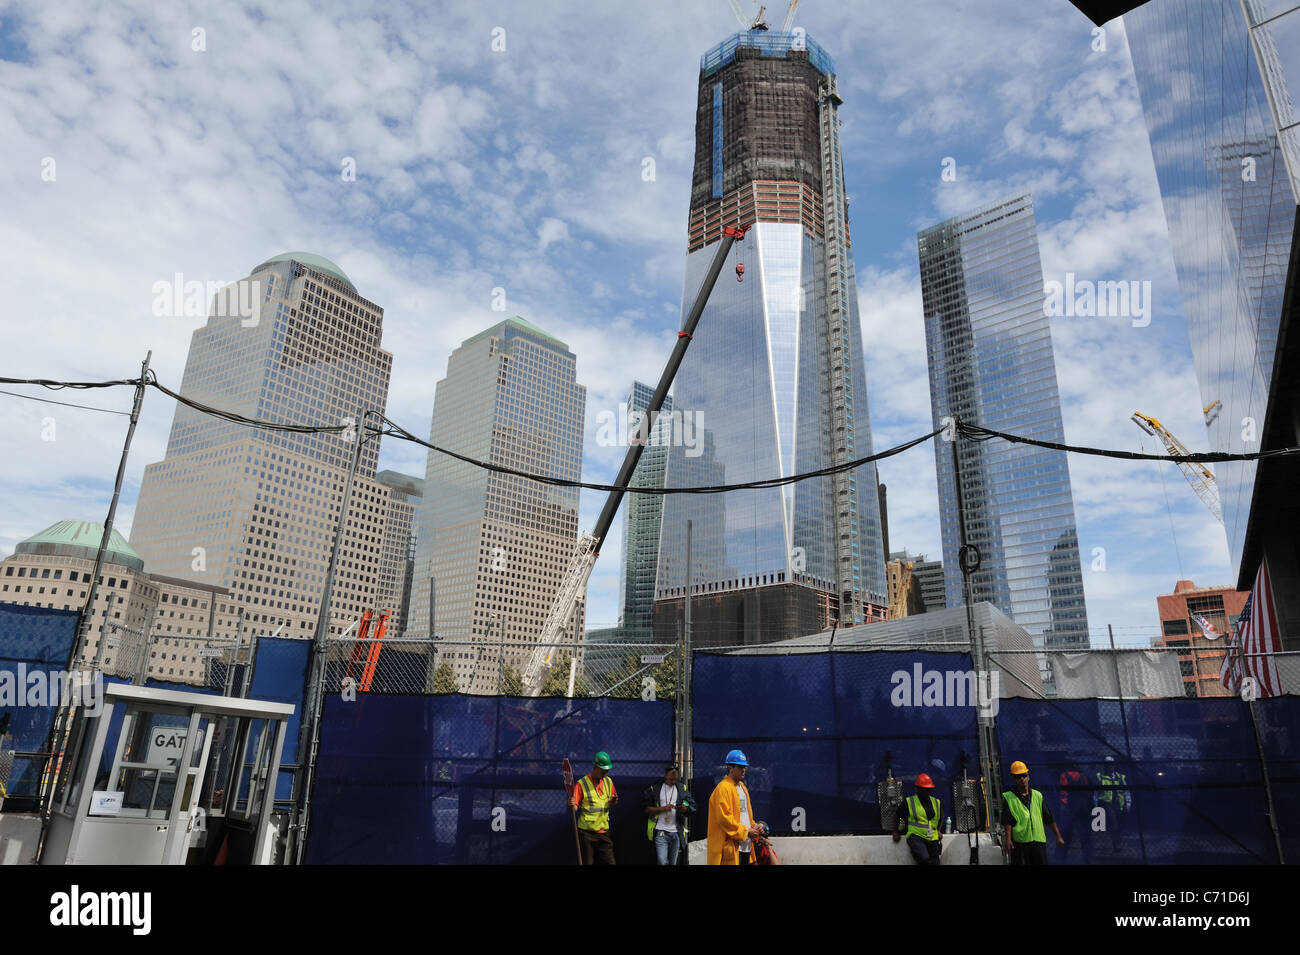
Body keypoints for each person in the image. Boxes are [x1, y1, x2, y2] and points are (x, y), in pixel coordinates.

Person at [1001, 760, 1064, 865]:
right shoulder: (1009, 797)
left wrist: (1058, 836)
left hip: (1038, 841)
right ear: (1014, 779)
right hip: (1020, 842)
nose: (1022, 779)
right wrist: (1008, 840)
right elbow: (1008, 821)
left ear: (1028, 777)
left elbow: (1048, 817)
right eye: (1018, 777)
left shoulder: (1037, 795)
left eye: (1024, 776)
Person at [707, 749, 763, 865]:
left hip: (745, 845)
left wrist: (754, 826)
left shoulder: (742, 787)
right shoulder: (723, 789)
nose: (743, 770)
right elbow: (723, 818)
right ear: (730, 768)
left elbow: (745, 815)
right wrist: (746, 832)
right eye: (740, 766)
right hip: (730, 849)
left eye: (744, 767)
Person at [642, 764, 695, 865]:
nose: (673, 780)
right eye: (671, 778)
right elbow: (646, 809)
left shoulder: (681, 788)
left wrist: (685, 808)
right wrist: (662, 809)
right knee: (662, 861)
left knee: (673, 863)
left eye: (675, 779)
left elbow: (692, 806)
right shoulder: (656, 789)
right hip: (661, 831)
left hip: (676, 833)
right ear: (666, 775)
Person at [571, 750, 618, 865]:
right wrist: (572, 804)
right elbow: (575, 807)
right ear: (595, 767)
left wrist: (614, 801)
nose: (605, 773)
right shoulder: (582, 784)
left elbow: (613, 803)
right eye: (603, 770)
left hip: (604, 832)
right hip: (587, 834)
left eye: (607, 770)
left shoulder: (608, 782)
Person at [892, 773, 943, 865]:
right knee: (924, 859)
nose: (927, 791)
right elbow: (897, 816)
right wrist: (896, 831)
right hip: (916, 836)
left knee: (935, 863)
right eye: (924, 789)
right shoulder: (909, 802)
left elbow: (940, 818)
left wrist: (938, 831)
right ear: (918, 789)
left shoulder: (936, 802)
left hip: (932, 837)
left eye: (929, 789)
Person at [1056, 765, 1093, 863]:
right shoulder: (1083, 776)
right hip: (1082, 806)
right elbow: (1087, 792)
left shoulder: (1065, 775)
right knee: (1084, 834)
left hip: (1069, 806)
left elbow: (1063, 792)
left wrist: (1063, 805)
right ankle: (1087, 858)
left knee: (1065, 833)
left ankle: (1061, 857)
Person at [1095, 756, 1130, 853]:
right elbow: (1096, 793)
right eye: (1108, 764)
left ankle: (1117, 841)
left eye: (1111, 764)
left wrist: (1128, 804)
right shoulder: (1100, 777)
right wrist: (1096, 806)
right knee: (1114, 824)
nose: (1110, 766)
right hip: (1107, 804)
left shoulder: (1119, 777)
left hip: (1119, 804)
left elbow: (1126, 791)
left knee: (1120, 825)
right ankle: (1116, 845)